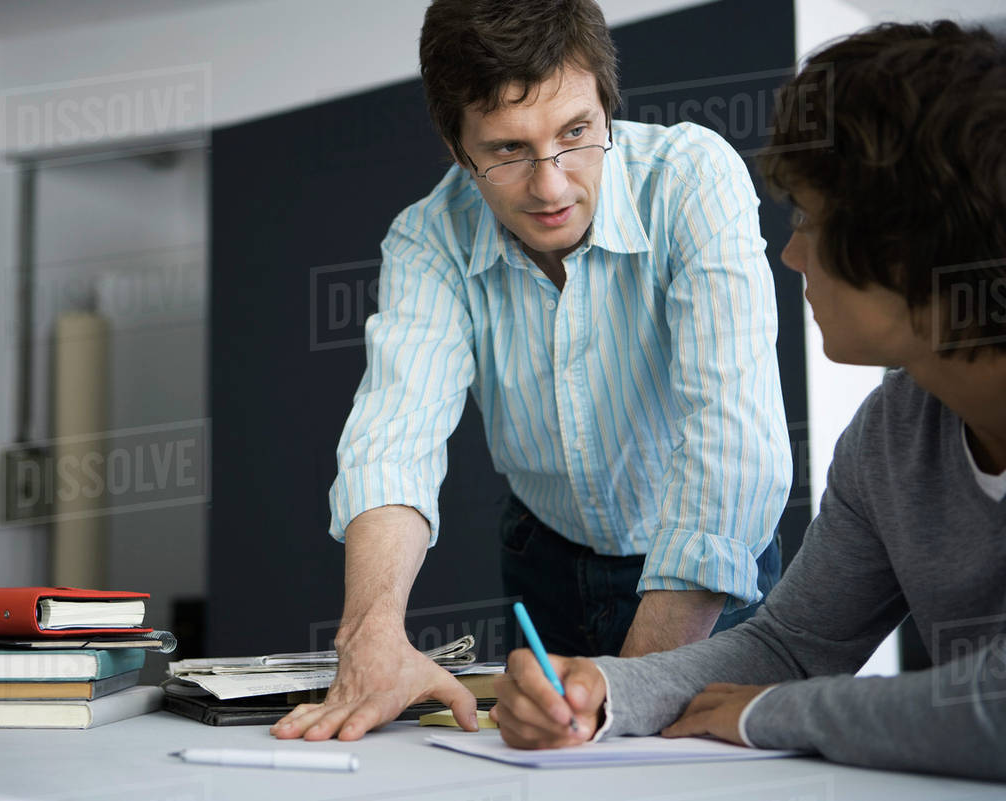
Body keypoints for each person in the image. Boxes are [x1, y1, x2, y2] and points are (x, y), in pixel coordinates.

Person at [490, 20, 1006, 782]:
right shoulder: (891, 436)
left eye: (810, 221)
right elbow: (790, 647)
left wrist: (765, 713)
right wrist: (605, 689)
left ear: (904, 249)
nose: (791, 252)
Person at [273, 0, 793, 743]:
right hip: (547, 561)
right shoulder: (428, 238)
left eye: (575, 134)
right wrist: (370, 634)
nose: (551, 187)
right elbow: (393, 440)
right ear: (458, 149)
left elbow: (733, 442)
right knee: (550, 772)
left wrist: (628, 692)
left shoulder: (691, 178)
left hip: (710, 561)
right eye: (509, 150)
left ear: (608, 107)